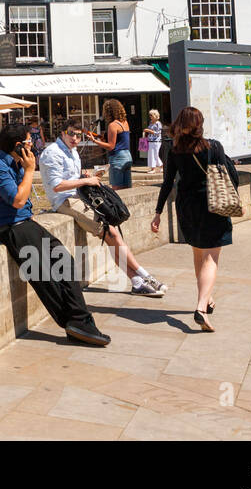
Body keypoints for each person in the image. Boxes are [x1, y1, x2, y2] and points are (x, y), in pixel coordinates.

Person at [0, 123, 110, 347]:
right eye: (29, 139)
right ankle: (75, 324)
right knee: (44, 277)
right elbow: (18, 200)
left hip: (25, 222)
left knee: (65, 262)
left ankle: (80, 321)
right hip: (10, 228)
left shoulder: (15, 162)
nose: (33, 142)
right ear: (18, 145)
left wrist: (25, 167)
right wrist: (30, 170)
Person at [40, 119, 167, 296]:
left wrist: (85, 176)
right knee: (111, 234)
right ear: (62, 133)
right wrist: (86, 180)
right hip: (64, 201)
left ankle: (137, 280)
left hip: (79, 196)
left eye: (78, 135)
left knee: (113, 235)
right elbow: (56, 186)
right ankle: (144, 275)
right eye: (71, 134)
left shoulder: (73, 151)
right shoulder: (52, 153)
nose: (75, 138)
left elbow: (71, 177)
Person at [153, 107, 238, 331]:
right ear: (200, 123)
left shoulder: (174, 150)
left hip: (186, 207)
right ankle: (201, 308)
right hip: (212, 205)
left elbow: (167, 182)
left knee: (198, 253)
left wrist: (158, 212)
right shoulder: (213, 146)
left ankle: (206, 297)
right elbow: (230, 176)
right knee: (211, 257)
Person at [87, 99, 133, 189]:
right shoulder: (125, 122)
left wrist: (95, 141)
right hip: (127, 155)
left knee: (117, 189)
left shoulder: (112, 125)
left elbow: (111, 146)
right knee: (127, 189)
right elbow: (121, 140)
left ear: (108, 112)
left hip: (117, 158)